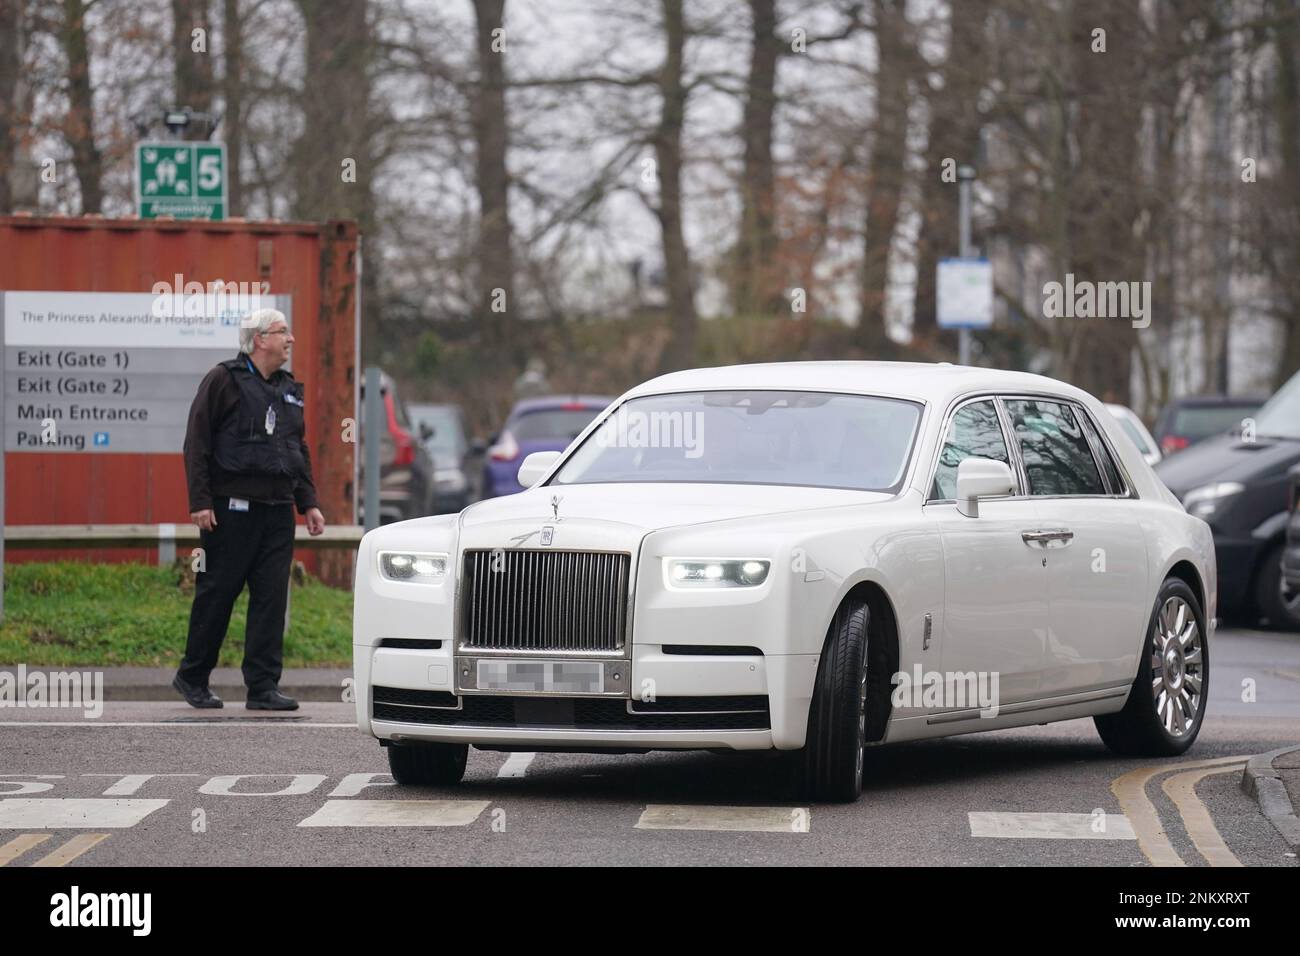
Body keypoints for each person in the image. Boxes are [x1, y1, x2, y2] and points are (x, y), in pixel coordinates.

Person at [174, 308, 326, 710]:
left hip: (277, 511)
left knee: (271, 598)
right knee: (218, 593)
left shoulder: (288, 388)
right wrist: (200, 501)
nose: (291, 339)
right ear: (259, 339)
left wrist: (308, 503)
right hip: (230, 510)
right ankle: (193, 677)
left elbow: (297, 449)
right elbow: (197, 442)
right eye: (282, 332)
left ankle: (262, 687)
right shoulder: (223, 380)